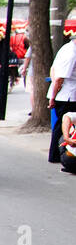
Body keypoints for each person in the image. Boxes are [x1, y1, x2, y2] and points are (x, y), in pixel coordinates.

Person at [46, 35, 76, 163]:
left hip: (62, 94)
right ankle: (59, 154)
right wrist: (53, 96)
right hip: (67, 95)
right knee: (64, 126)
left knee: (60, 125)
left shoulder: (65, 48)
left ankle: (56, 154)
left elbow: (53, 70)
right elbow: (59, 79)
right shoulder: (71, 55)